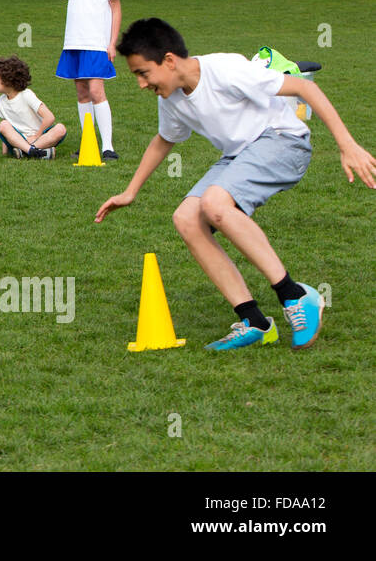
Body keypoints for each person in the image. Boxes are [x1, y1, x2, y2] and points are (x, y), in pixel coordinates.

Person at [95, 18, 376, 350]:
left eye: (143, 73)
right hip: (240, 154)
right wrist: (131, 191)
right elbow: (164, 140)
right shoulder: (169, 97)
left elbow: (305, 88)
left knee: (215, 203)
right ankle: (253, 320)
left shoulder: (225, 69)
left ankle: (296, 296)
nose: (142, 84)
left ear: (169, 60)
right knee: (186, 218)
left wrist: (347, 144)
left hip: (284, 141)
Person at [56, 0, 122, 160]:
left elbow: (115, 9)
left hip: (96, 43)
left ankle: (107, 146)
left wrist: (111, 43)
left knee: (96, 91)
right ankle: (88, 142)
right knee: (82, 93)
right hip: (74, 42)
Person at [0, 55, 67, 159]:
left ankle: (25, 152)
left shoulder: (26, 95)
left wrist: (36, 136)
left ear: (7, 80)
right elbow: (7, 128)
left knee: (60, 129)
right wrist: (4, 153)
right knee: (3, 125)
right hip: (18, 140)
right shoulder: (1, 101)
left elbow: (49, 117)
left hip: (39, 138)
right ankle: (35, 151)